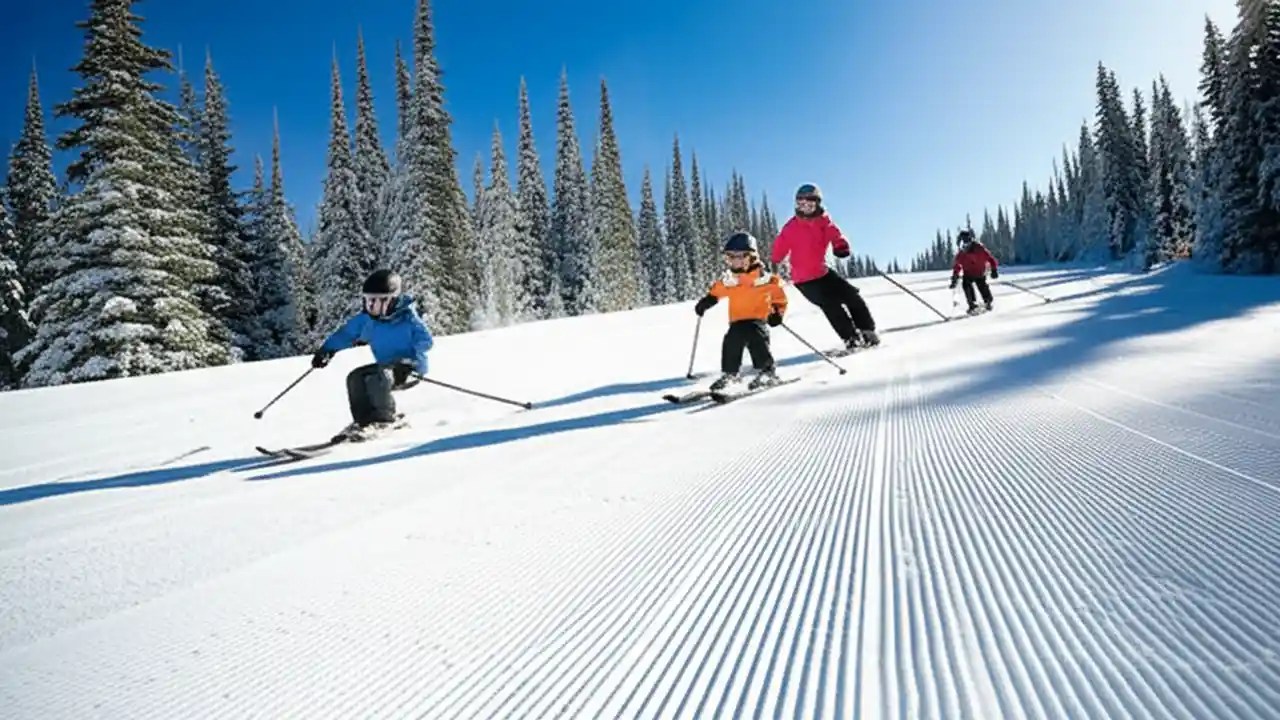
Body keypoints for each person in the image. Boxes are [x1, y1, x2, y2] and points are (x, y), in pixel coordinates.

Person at [310, 269, 434, 438]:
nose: (371, 306)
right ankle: (364, 420)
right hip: (385, 367)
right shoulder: (368, 320)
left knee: (378, 377)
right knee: (356, 377)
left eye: (376, 301)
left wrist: (407, 363)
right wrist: (327, 350)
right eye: (368, 301)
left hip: (408, 369)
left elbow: (426, 341)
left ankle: (384, 419)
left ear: (392, 301)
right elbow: (346, 334)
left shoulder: (407, 318)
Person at [770, 183, 879, 350]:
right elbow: (780, 245)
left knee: (852, 296)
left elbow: (836, 235)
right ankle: (851, 339)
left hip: (823, 273)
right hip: (804, 280)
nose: (805, 208)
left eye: (810, 204)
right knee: (831, 305)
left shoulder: (824, 222)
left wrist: (840, 246)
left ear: (818, 204)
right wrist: (775, 258)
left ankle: (867, 330)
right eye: (801, 204)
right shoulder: (791, 227)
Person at [694, 232, 789, 391]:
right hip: (737, 321)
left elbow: (779, 297)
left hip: (757, 320)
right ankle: (731, 375)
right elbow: (718, 290)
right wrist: (708, 300)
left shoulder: (764, 279)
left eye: (739, 256)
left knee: (756, 337)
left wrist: (777, 313)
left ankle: (767, 372)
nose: (734, 261)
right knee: (731, 340)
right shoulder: (730, 280)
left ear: (752, 257)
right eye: (730, 257)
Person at [950, 229, 999, 314]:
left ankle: (988, 301)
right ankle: (972, 304)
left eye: (966, 245)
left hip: (980, 272)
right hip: (968, 273)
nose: (964, 248)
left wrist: (994, 269)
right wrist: (955, 277)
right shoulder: (961, 254)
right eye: (962, 247)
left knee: (982, 284)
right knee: (966, 284)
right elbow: (957, 266)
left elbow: (990, 259)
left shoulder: (979, 248)